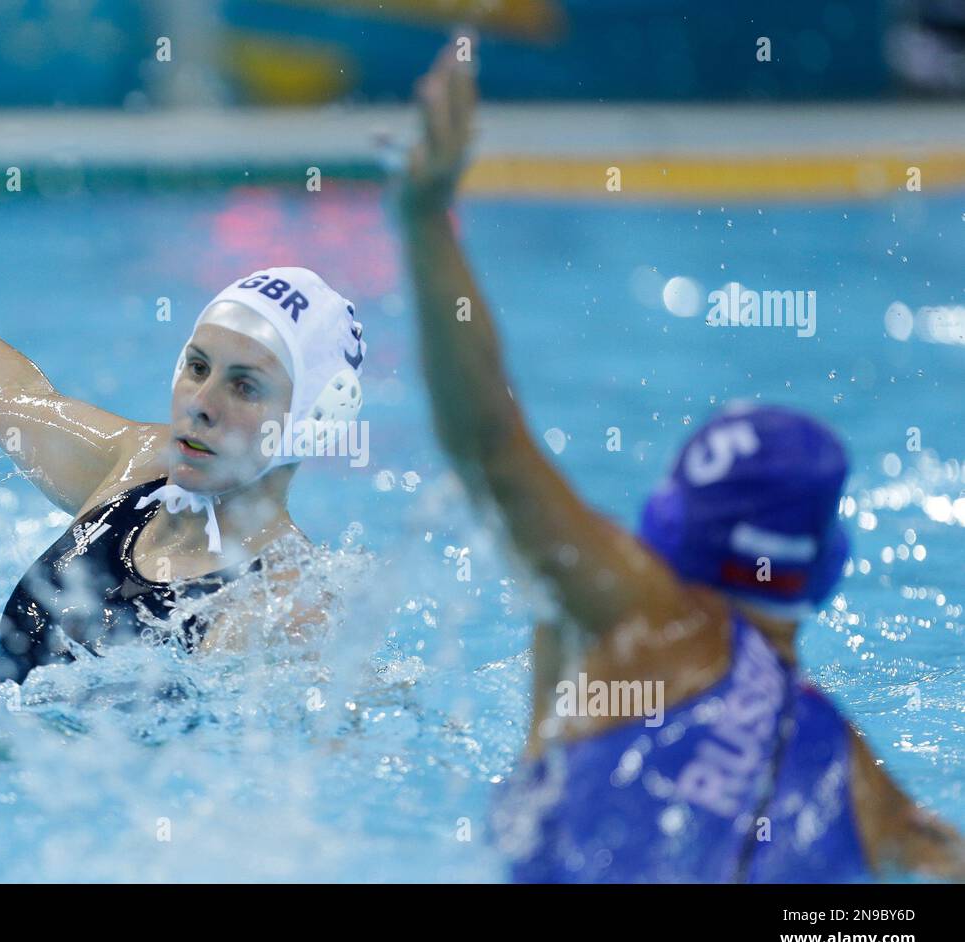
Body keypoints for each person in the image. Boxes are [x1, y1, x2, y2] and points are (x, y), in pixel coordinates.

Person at [395, 43, 965, 881]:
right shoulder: (863, 785)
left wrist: (424, 218)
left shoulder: (642, 619)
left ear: (666, 536)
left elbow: (490, 446)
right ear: (822, 569)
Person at [0, 204, 366, 688]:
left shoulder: (286, 611)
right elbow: (14, 398)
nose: (201, 402)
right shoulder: (136, 467)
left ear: (315, 419)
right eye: (196, 367)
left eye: (244, 386)